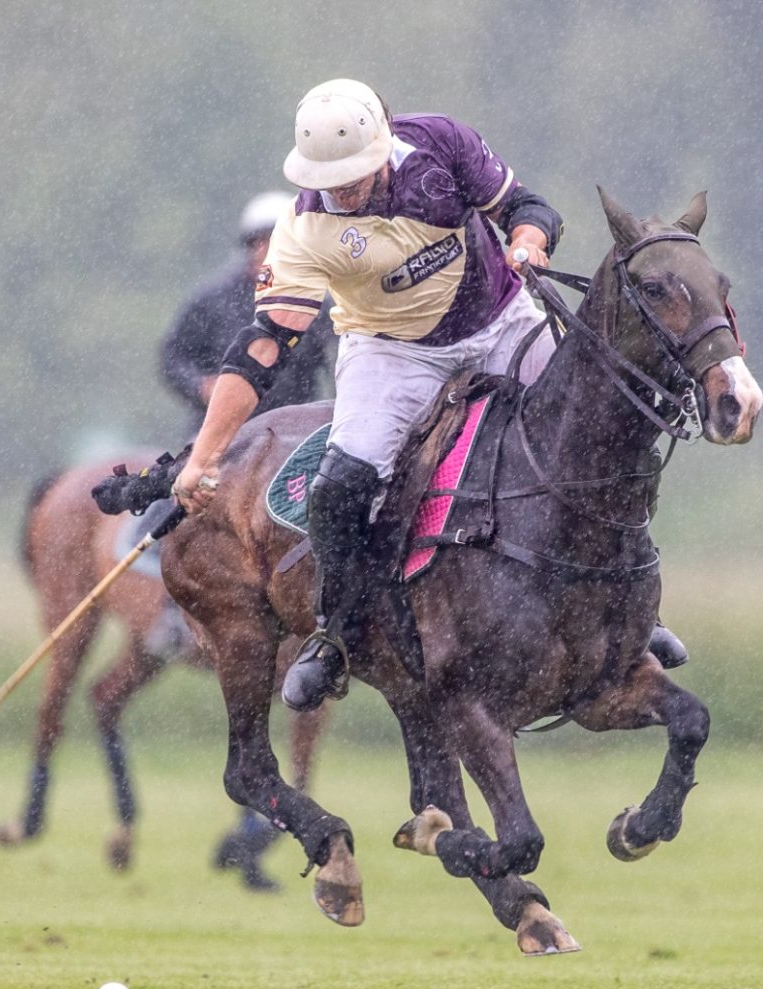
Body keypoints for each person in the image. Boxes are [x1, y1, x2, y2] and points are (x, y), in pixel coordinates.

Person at [173, 78, 685, 713]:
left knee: (600, 437)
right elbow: (263, 346)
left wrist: (527, 242)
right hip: (391, 349)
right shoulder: (304, 229)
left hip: (500, 320)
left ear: (383, 143)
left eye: (355, 176)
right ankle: (337, 633)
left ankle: (635, 612)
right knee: (341, 484)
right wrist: (204, 456)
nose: (344, 192)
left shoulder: (440, 143)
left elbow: (529, 208)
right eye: (331, 181)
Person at [159, 191, 337, 432]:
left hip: (293, 433)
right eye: (262, 241)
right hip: (222, 433)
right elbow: (174, 359)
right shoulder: (211, 301)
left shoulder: (316, 303)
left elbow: (339, 354)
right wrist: (201, 386)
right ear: (251, 246)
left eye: (281, 242)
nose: (269, 250)